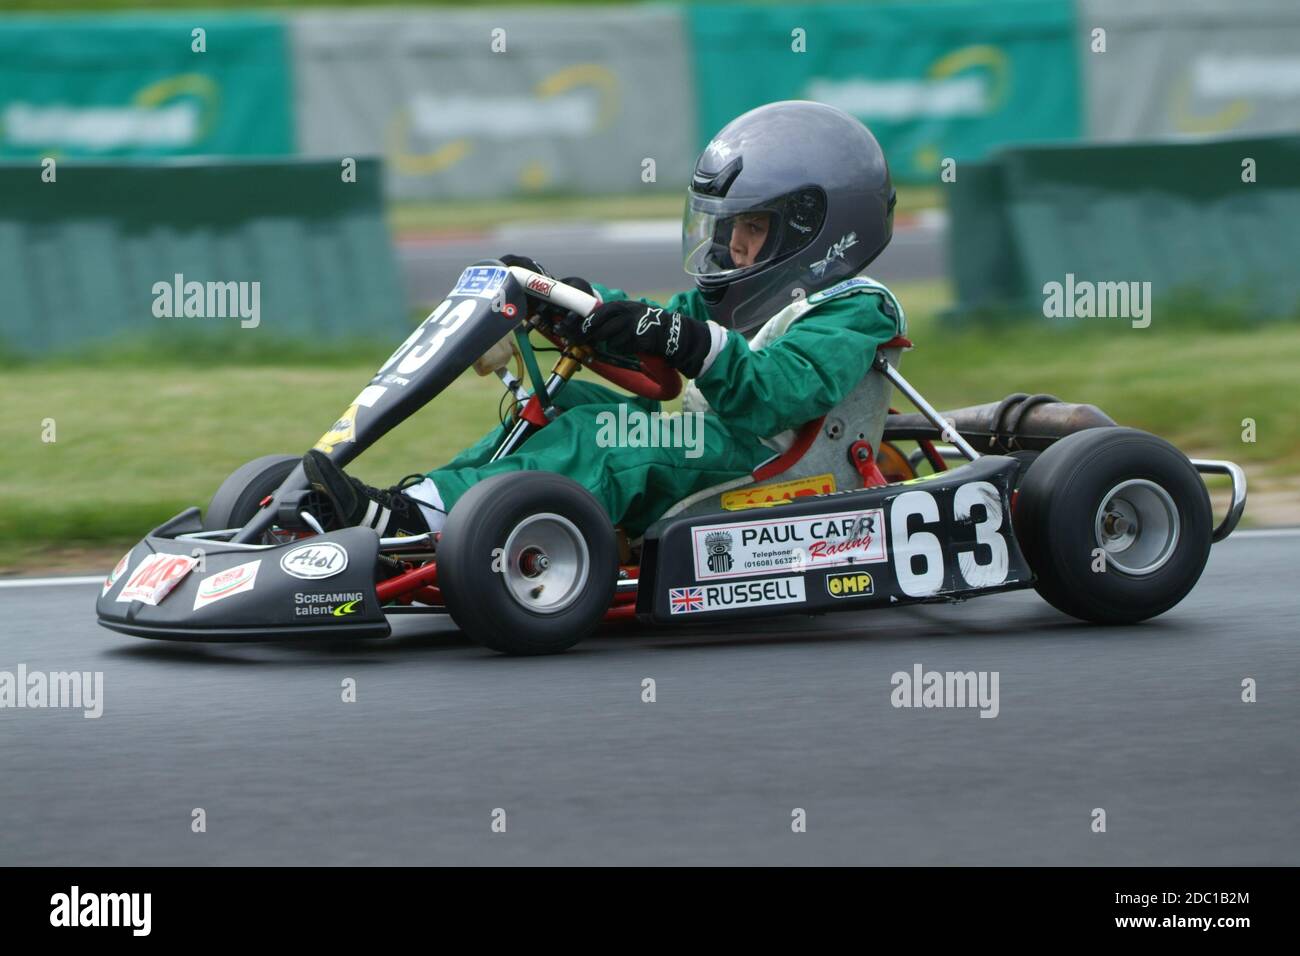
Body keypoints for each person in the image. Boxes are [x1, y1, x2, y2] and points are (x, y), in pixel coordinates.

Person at [303, 100, 906, 539]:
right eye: (729, 228)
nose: (735, 246)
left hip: (777, 469)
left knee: (611, 442)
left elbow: (780, 392)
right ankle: (419, 506)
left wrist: (684, 339)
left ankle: (433, 523)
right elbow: (658, 341)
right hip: (718, 451)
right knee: (568, 410)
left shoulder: (854, 309)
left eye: (752, 227)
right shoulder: (739, 297)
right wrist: (568, 300)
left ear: (812, 230)